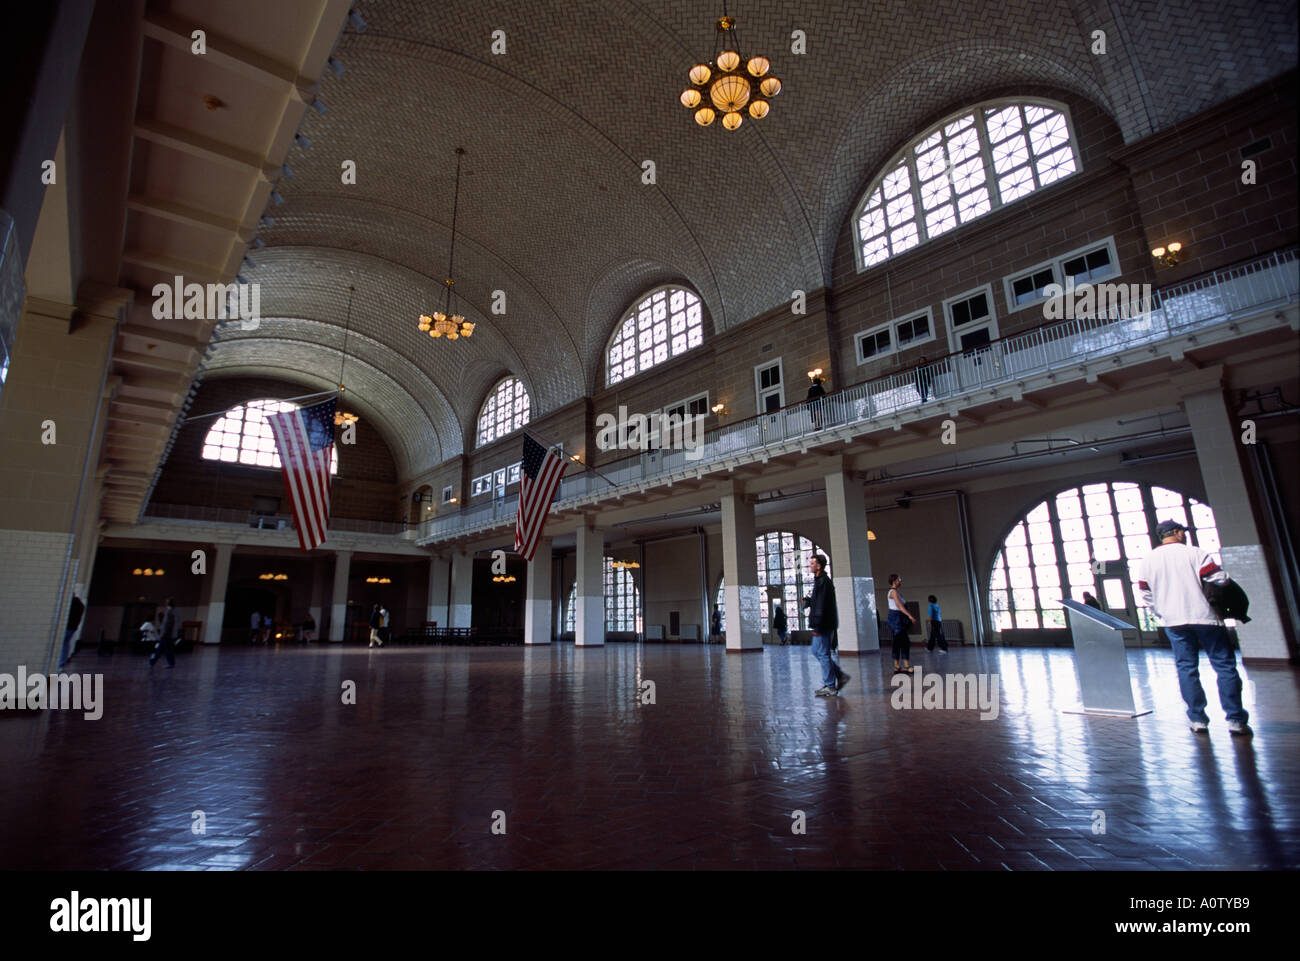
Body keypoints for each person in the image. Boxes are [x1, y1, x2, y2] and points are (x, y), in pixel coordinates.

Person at [1137, 519, 1250, 736]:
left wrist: (1162, 611)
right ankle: (1235, 719)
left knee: (1186, 669)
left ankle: (1198, 719)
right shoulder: (1195, 553)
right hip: (1205, 617)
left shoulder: (1148, 560)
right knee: (1224, 666)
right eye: (1183, 532)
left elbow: (1145, 593)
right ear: (1177, 532)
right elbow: (1219, 579)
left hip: (1174, 622)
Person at [803, 554, 849, 696]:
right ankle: (839, 675)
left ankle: (830, 685)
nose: (810, 565)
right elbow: (819, 602)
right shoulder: (821, 581)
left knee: (822, 653)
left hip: (823, 624)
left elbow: (822, 606)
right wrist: (809, 601)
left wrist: (818, 626)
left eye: (812, 563)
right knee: (818, 652)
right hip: (824, 623)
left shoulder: (822, 581)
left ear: (819, 566)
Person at [886, 574, 918, 674]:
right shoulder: (893, 592)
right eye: (899, 579)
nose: (900, 581)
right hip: (895, 619)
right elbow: (899, 605)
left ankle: (900, 666)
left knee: (903, 641)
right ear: (894, 581)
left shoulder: (897, 592)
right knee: (900, 641)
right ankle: (902, 665)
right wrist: (910, 616)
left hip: (899, 618)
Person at [59, 594, 85, 668]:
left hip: (67, 626)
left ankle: (60, 660)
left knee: (63, 643)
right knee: (66, 643)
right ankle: (63, 659)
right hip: (73, 627)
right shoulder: (81, 605)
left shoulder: (70, 605)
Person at [151, 597, 177, 668]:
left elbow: (168, 624)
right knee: (162, 649)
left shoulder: (170, 611)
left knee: (165, 649)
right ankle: (153, 662)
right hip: (167, 634)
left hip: (167, 634)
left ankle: (153, 661)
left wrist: (164, 633)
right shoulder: (169, 611)